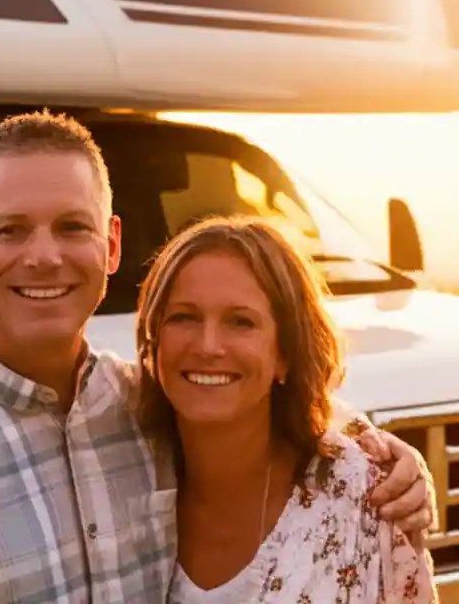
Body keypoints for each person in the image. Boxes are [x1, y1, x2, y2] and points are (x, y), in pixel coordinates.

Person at [0, 111, 435, 603]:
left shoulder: (142, 404)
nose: (44, 256)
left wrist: (385, 458)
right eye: (10, 229)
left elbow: (257, 396)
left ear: (110, 245)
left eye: (73, 227)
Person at [133, 216, 437, 603]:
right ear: (153, 340)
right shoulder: (122, 467)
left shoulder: (365, 499)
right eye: (184, 317)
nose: (208, 345)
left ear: (285, 354)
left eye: (241, 322)